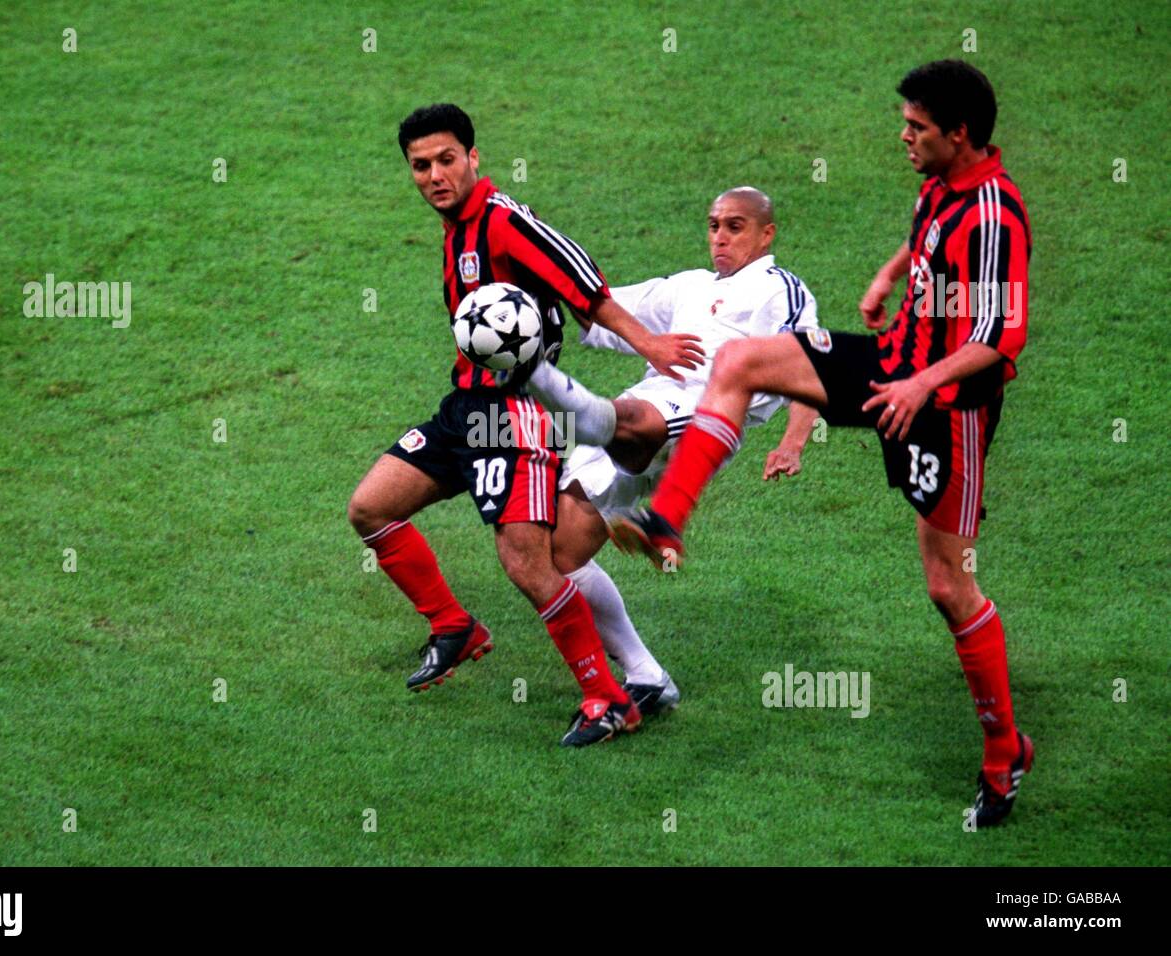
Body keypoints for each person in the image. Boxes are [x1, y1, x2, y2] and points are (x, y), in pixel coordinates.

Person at [610, 61, 1035, 826]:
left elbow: (1001, 340)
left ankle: (1004, 753)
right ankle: (666, 517)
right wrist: (890, 273)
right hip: (895, 364)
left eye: (917, 128)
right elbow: (929, 246)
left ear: (959, 134)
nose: (903, 137)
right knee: (738, 361)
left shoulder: (998, 216)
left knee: (948, 586)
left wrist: (918, 387)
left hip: (949, 410)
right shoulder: (942, 182)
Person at [347, 103, 702, 746]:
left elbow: (585, 285)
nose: (434, 175)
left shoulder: (505, 222)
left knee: (530, 566)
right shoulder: (457, 228)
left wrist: (649, 346)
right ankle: (454, 627)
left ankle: (607, 697)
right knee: (371, 508)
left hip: (515, 419)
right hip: (464, 410)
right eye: (420, 166)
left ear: (474, 158)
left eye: (446, 160)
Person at [528, 187, 821, 714]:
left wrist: (793, 441)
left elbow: (811, 365)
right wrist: (545, 264)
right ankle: (647, 677)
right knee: (559, 558)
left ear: (766, 233)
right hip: (644, 404)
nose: (721, 237)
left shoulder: (778, 289)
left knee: (629, 421)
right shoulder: (688, 287)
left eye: (735, 226)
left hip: (703, 418)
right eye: (714, 226)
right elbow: (600, 307)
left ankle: (534, 379)